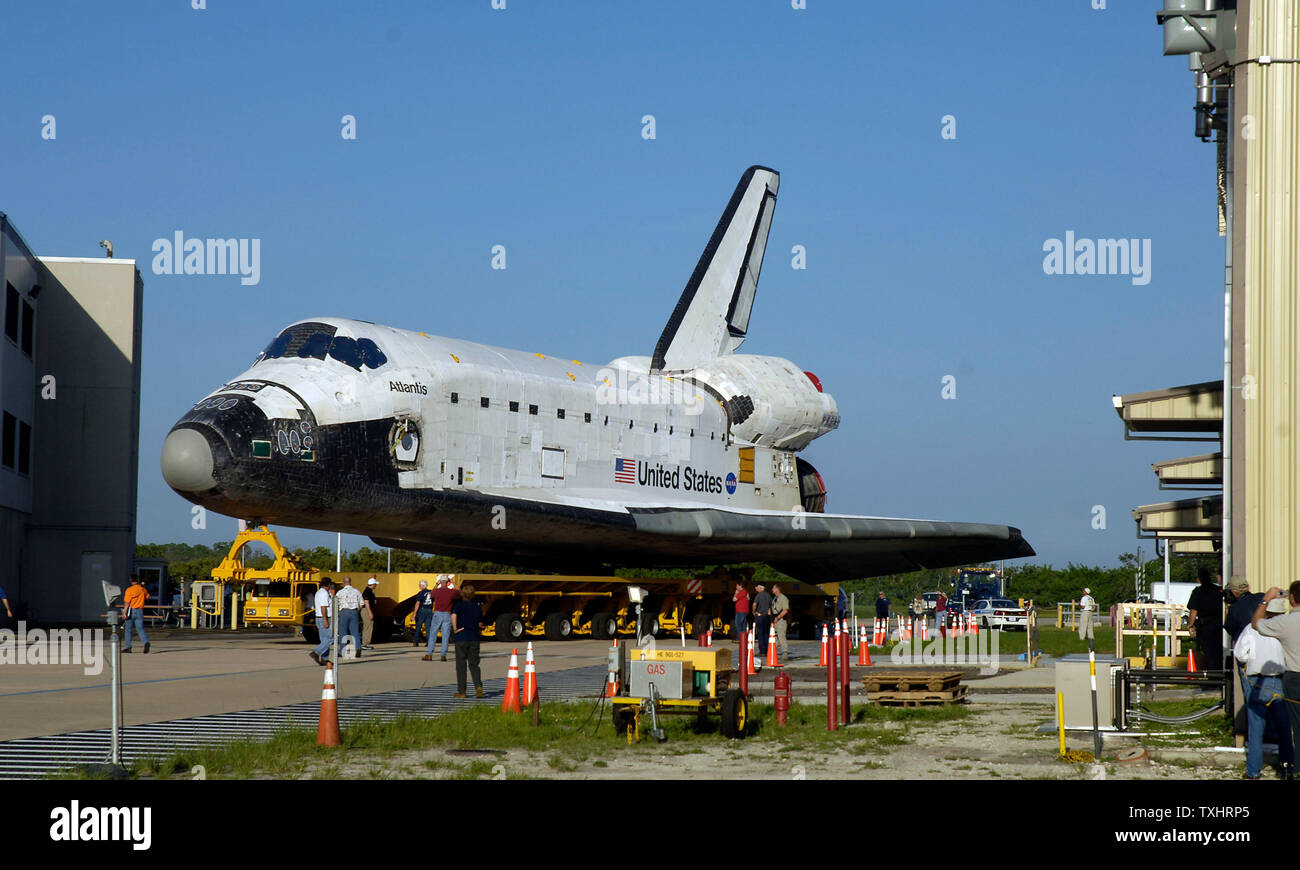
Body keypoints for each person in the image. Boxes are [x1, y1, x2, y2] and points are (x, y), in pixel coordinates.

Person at [1234, 597, 1295, 779]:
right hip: (1281, 680)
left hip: (1257, 681)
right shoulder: (1286, 629)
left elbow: (1240, 654)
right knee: (1284, 728)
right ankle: (1287, 768)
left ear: (1266, 611)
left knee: (1255, 728)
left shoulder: (1253, 629)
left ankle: (1253, 771)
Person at [1253, 583, 1300, 755]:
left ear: (1292, 598)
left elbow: (1256, 624)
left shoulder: (1284, 622)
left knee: (1296, 726)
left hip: (1294, 677)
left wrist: (1266, 599)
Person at [451, 583, 484, 698]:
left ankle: (462, 691)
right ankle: (478, 686)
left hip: (462, 637)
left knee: (461, 665)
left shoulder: (458, 605)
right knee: (474, 664)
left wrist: (455, 629)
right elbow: (480, 622)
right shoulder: (477, 607)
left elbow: (454, 615)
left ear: (462, 594)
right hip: (474, 637)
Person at [1187, 566, 1225, 670]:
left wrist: (1190, 626)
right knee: (1218, 650)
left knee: (1208, 651)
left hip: (1206, 626)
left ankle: (1212, 675)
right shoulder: (1218, 590)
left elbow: (1193, 610)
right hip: (1219, 624)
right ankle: (1218, 673)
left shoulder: (1198, 592)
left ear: (1199, 579)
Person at [425, 574, 459, 661]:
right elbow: (459, 590)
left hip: (437, 613)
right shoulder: (451, 592)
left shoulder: (437, 591)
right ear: (447, 583)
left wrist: (436, 584)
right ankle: (443, 655)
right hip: (447, 614)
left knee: (433, 634)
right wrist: (453, 582)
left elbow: (431, 594)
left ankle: (429, 654)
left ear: (441, 582)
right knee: (445, 635)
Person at [335, 577, 364, 658]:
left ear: (343, 583)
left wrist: (338, 613)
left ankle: (342, 651)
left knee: (343, 632)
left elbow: (336, 604)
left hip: (344, 612)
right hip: (354, 612)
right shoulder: (356, 591)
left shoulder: (340, 592)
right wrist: (357, 611)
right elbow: (361, 603)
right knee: (355, 632)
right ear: (350, 582)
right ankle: (358, 648)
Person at [122, 574, 150, 654]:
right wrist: (143, 587)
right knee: (140, 629)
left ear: (131, 580)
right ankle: (145, 642)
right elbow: (147, 596)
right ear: (138, 580)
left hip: (131, 610)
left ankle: (128, 647)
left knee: (128, 630)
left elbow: (127, 602)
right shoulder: (142, 589)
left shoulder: (129, 590)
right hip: (140, 611)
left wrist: (124, 613)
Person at [309, 578, 334, 665]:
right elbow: (323, 607)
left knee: (324, 639)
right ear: (329, 584)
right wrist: (325, 620)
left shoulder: (319, 592)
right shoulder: (324, 593)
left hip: (319, 617)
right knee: (330, 638)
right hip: (324, 617)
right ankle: (316, 652)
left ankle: (324, 658)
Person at [751, 583, 773, 668]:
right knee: (766, 633)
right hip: (767, 616)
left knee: (760, 633)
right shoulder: (768, 595)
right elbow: (771, 605)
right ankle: (767, 650)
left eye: (756, 587)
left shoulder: (759, 595)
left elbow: (754, 604)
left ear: (760, 588)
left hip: (760, 616)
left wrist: (753, 612)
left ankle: (762, 651)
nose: (755, 588)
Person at [771, 584, 791, 661]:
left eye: (773, 588)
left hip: (781, 620)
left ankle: (785, 652)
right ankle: (773, 650)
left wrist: (778, 617)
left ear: (777, 589)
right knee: (776, 637)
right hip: (775, 619)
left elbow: (785, 610)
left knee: (781, 636)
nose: (772, 589)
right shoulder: (775, 598)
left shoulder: (783, 598)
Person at [412, 579, 434, 648]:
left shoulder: (420, 593)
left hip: (422, 610)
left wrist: (414, 614)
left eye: (420, 585)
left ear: (423, 585)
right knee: (428, 627)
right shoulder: (431, 592)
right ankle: (428, 642)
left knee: (418, 626)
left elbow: (417, 603)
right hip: (430, 610)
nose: (419, 586)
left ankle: (415, 642)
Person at [361, 577, 378, 650]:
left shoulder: (369, 591)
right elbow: (366, 602)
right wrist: (370, 612)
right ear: (372, 584)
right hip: (366, 610)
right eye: (375, 584)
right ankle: (365, 643)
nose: (376, 585)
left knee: (369, 626)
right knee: (368, 627)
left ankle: (366, 643)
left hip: (368, 610)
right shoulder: (367, 591)